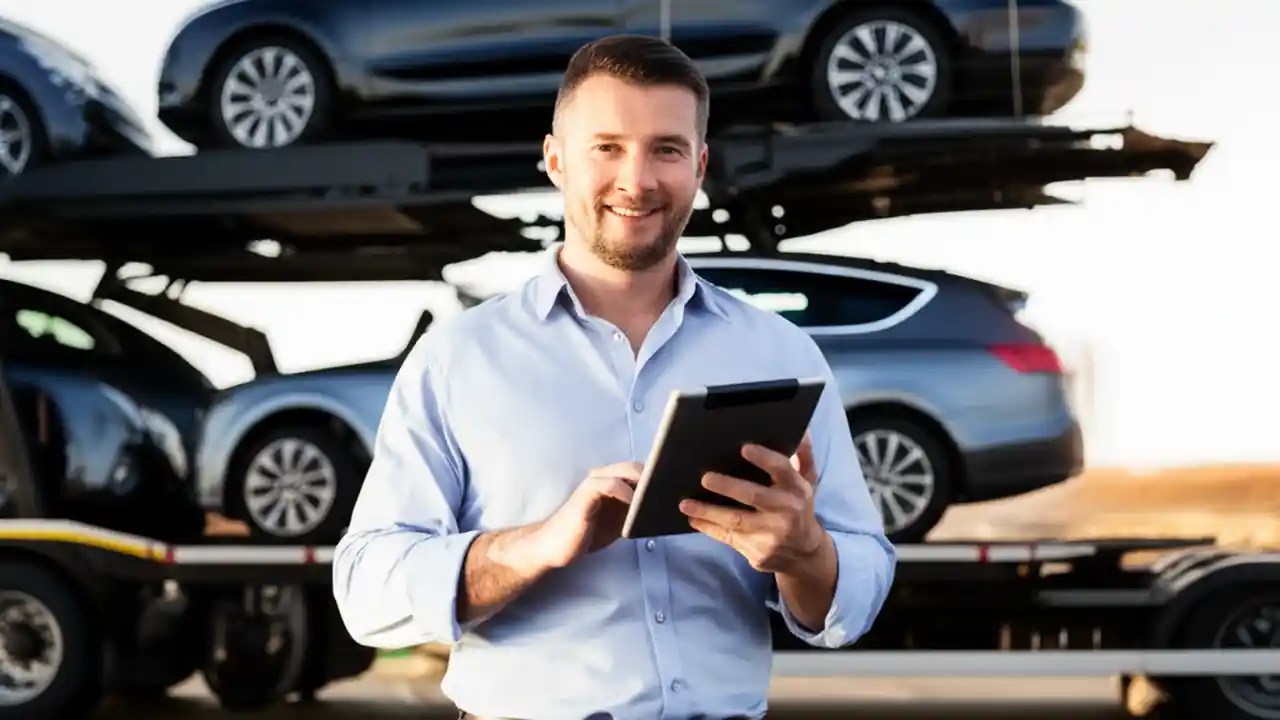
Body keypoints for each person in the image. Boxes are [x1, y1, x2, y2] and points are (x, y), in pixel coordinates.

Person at [332, 34, 896, 720]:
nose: (638, 179)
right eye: (608, 147)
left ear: (700, 165)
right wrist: (534, 546)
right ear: (555, 159)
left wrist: (805, 552)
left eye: (667, 149)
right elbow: (365, 593)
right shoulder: (458, 359)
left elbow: (862, 585)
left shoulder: (781, 354)